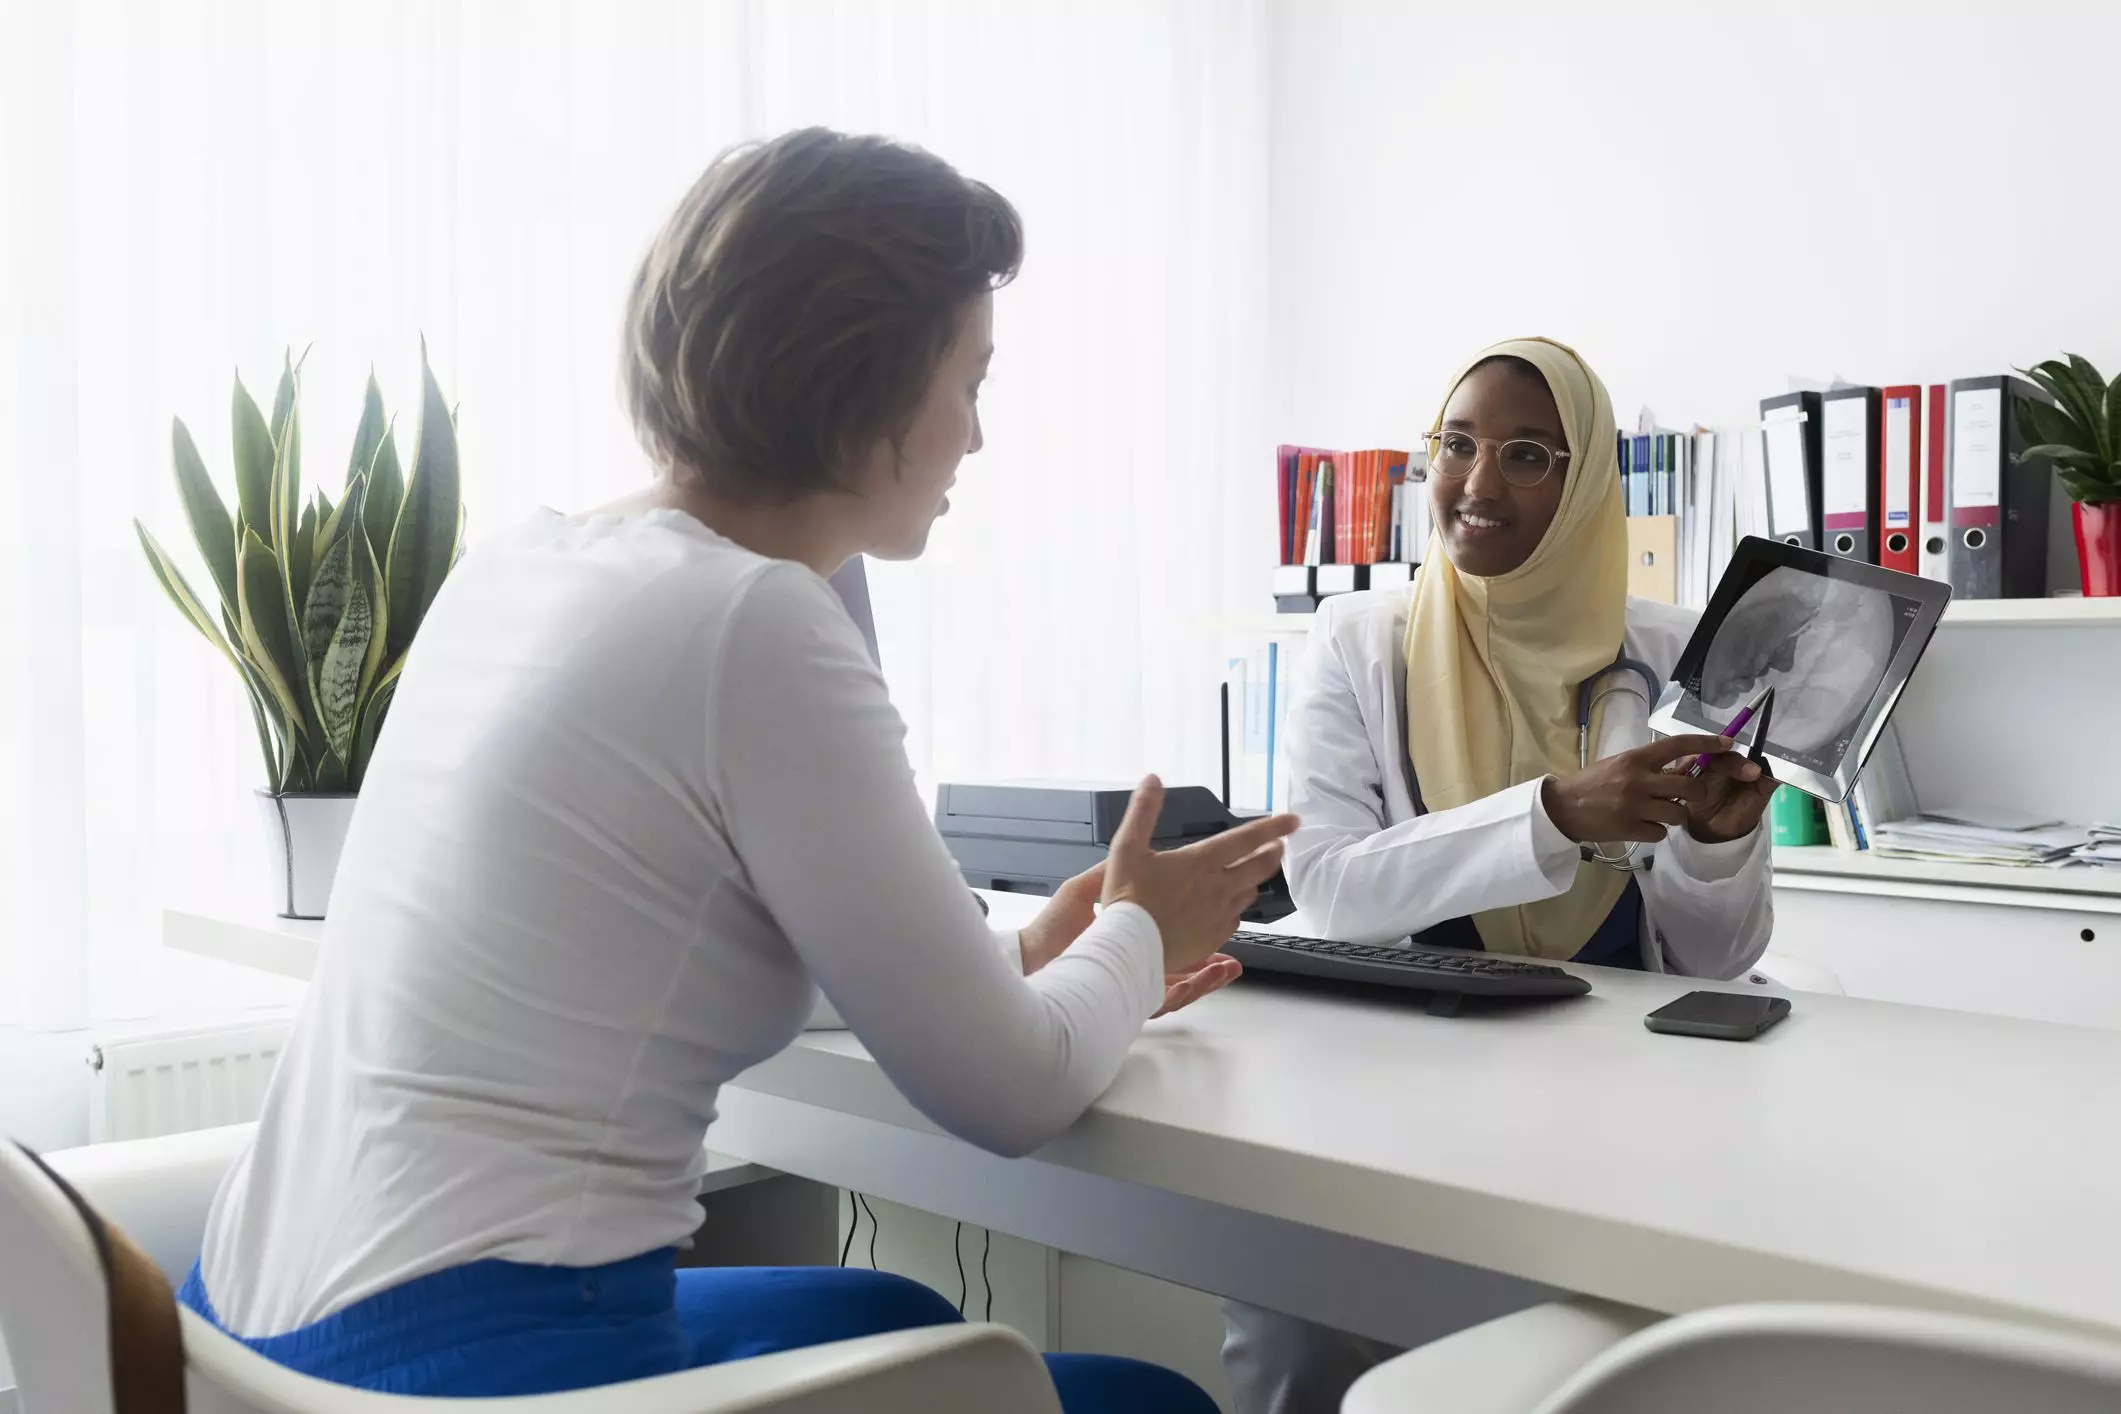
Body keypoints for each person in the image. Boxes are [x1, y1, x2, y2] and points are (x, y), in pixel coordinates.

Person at [178, 128, 1295, 1412]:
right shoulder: (754, 624)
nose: (978, 437)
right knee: (1146, 1401)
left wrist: (1034, 957)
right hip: (464, 1359)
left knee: (892, 1312)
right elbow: (1012, 1092)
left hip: (253, 1328)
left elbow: (704, 937)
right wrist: (1146, 929)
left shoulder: (522, 564)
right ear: (868, 386)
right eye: (969, 380)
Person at [1218, 337, 1776, 1414]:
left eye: (1528, 454)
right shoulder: (1359, 642)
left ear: (1588, 486)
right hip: (1390, 1091)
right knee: (1299, 1329)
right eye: (1456, 444)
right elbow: (1328, 888)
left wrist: (1715, 844)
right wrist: (1557, 812)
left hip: (1622, 1109)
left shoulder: (1667, 652)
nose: (1475, 484)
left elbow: (1716, 958)